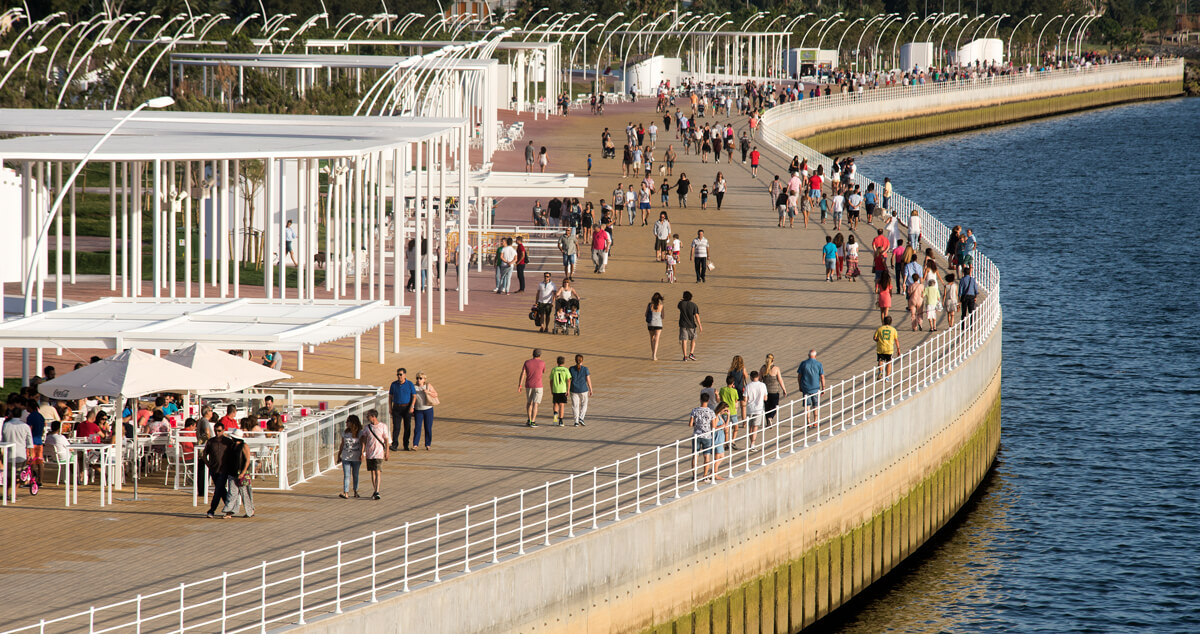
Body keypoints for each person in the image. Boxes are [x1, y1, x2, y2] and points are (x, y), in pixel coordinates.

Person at [222, 422, 254, 518]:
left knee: (245, 493)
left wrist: (243, 472)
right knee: (232, 493)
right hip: (232, 472)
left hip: (242, 472)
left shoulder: (244, 446)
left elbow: (247, 460)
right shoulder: (232, 446)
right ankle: (229, 511)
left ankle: (250, 511)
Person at [203, 422, 234, 518]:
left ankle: (212, 510)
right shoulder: (211, 441)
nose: (217, 433)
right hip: (214, 469)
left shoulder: (228, 442)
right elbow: (204, 454)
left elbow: (234, 454)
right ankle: (229, 509)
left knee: (218, 490)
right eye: (216, 431)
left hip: (224, 469)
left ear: (223, 431)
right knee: (221, 490)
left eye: (219, 431)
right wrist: (208, 464)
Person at [361, 409, 390, 500]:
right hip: (369, 453)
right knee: (372, 472)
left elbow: (386, 440)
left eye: (368, 416)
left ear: (373, 416)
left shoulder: (383, 426)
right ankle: (375, 490)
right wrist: (362, 452)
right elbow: (364, 440)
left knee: (377, 471)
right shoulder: (367, 428)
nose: (367, 417)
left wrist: (387, 452)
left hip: (379, 452)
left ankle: (377, 491)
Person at [689, 393, 716, 480]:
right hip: (707, 436)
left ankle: (694, 476)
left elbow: (690, 424)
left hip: (696, 435)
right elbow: (714, 425)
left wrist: (696, 424)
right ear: (708, 400)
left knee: (695, 455)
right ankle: (705, 475)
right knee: (706, 456)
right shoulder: (711, 412)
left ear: (700, 400)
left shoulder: (694, 410)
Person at [336, 415, 363, 498]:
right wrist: (339, 455)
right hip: (346, 457)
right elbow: (342, 444)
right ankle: (346, 492)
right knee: (346, 475)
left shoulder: (360, 433)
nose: (346, 423)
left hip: (356, 457)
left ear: (353, 422)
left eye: (348, 421)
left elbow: (362, 444)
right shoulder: (345, 432)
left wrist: (362, 454)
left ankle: (355, 491)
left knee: (355, 475)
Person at [388, 368, 415, 451]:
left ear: (405, 375)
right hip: (396, 407)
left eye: (400, 374)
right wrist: (390, 408)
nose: (399, 376)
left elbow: (414, 396)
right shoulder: (394, 384)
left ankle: (406, 444)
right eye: (398, 374)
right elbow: (390, 397)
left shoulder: (409, 384)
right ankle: (394, 445)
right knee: (396, 427)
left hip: (406, 407)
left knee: (407, 427)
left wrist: (412, 406)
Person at [518, 349, 546, 427]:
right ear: (540, 355)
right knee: (535, 404)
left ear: (532, 354)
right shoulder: (542, 363)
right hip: (538, 386)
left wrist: (520, 385)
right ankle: (533, 421)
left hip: (528, 385)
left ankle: (529, 419)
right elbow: (543, 371)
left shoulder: (527, 362)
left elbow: (523, 373)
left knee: (529, 402)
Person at [797, 349, 826, 424]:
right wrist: (823, 388)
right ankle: (815, 421)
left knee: (807, 405)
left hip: (806, 388)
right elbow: (822, 377)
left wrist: (800, 385)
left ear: (808, 355)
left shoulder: (803, 364)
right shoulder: (819, 364)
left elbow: (799, 376)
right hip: (815, 388)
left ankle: (808, 421)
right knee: (815, 405)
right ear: (815, 356)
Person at [760, 354, 788, 426]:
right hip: (774, 392)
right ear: (773, 360)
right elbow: (780, 380)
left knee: (767, 407)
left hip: (765, 392)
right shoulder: (776, 369)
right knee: (774, 407)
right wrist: (784, 389)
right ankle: (770, 418)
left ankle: (768, 421)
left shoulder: (762, 368)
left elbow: (760, 380)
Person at [411, 373, 437, 450]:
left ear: (424, 379)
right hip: (418, 410)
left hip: (428, 409)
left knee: (428, 427)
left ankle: (428, 444)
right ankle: (415, 444)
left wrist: (428, 392)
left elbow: (435, 394)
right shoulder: (414, 387)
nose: (418, 380)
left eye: (420, 378)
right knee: (417, 428)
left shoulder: (428, 386)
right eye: (417, 378)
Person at [744, 371, 768, 451]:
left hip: (750, 409)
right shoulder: (762, 385)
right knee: (755, 427)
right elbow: (765, 398)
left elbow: (745, 399)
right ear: (758, 377)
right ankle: (752, 444)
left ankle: (751, 443)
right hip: (759, 409)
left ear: (751, 377)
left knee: (750, 427)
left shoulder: (748, 386)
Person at [568, 354, 592, 427]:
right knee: (584, 404)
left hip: (573, 389)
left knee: (575, 406)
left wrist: (567, 390)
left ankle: (576, 421)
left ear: (575, 360)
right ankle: (581, 418)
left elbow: (569, 380)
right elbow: (588, 380)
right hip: (583, 389)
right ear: (582, 361)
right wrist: (590, 389)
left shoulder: (571, 369)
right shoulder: (585, 369)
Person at [678, 290, 702, 362]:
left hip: (683, 324)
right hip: (691, 325)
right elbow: (696, 316)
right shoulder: (694, 305)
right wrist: (700, 325)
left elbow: (679, 306)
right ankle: (691, 353)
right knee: (693, 339)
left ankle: (685, 356)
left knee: (684, 340)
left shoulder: (681, 304)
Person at [550, 357, 570, 426]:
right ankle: (561, 421)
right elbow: (568, 380)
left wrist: (551, 389)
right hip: (563, 389)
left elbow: (551, 380)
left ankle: (555, 420)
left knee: (555, 404)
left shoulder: (554, 369)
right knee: (562, 405)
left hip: (555, 389)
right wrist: (568, 390)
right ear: (564, 362)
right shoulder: (566, 370)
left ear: (557, 362)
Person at [646, 292, 665, 360]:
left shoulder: (649, 305)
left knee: (652, 338)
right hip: (658, 324)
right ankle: (654, 355)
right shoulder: (661, 306)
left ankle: (652, 353)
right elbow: (663, 316)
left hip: (650, 324)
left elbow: (645, 314)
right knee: (657, 339)